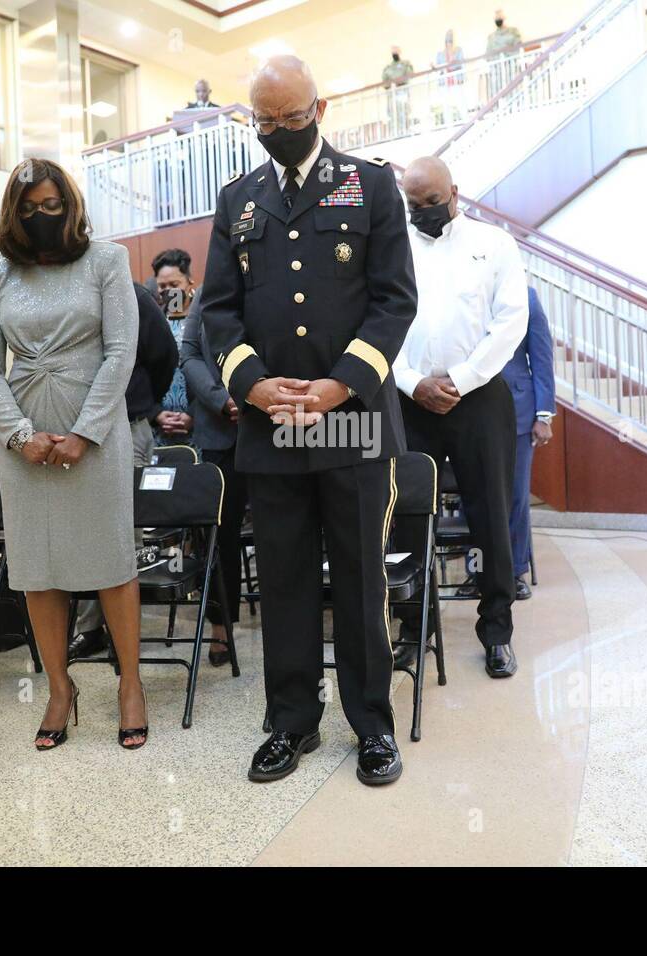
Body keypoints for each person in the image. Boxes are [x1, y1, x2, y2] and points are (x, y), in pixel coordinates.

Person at [200, 55, 418, 786]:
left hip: (350, 420)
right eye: (264, 121)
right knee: (287, 581)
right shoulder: (238, 199)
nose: (278, 133)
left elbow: (394, 301)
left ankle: (371, 726)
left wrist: (339, 386)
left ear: (319, 110)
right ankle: (291, 724)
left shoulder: (372, 183)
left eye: (291, 119)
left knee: (359, 578)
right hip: (272, 425)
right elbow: (218, 312)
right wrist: (255, 388)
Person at [0, 158, 147, 751]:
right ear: (12, 214)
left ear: (69, 205)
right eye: (29, 209)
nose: (41, 216)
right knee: (38, 569)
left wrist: (85, 430)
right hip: (23, 433)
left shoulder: (107, 259)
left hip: (94, 426)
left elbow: (122, 349)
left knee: (110, 561)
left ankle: (131, 686)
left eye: (51, 206)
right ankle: (58, 689)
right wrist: (19, 434)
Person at [393, 155, 527, 679]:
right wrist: (412, 382)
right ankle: (412, 630)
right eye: (414, 205)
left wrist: (463, 379)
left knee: (490, 516)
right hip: (411, 399)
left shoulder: (493, 244)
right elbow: (380, 320)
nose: (424, 212)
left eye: (432, 202)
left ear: (455, 192)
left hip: (480, 398)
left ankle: (497, 632)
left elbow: (510, 320)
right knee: (407, 520)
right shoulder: (394, 247)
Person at [67, 280, 177, 662]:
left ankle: (123, 633)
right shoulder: (63, 290)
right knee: (83, 534)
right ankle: (89, 629)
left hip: (126, 425)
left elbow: (164, 354)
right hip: (72, 431)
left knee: (123, 533)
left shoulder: (131, 293)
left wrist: (143, 402)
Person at [179, 280, 245, 668]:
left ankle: (292, 626)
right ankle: (221, 626)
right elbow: (189, 353)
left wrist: (254, 393)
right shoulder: (208, 291)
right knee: (222, 536)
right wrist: (220, 398)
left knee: (285, 531)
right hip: (219, 430)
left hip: (276, 425)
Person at [502, 285, 555, 600]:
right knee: (473, 496)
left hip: (519, 410)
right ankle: (476, 569)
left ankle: (514, 571)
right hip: (470, 407)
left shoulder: (526, 296)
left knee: (516, 495)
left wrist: (544, 415)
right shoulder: (468, 288)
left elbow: (541, 357)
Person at [151, 248, 196, 446]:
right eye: (162, 286)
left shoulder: (206, 318)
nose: (168, 291)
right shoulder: (151, 322)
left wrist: (195, 414)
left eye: (174, 284)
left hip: (203, 426)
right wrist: (156, 413)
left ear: (189, 283)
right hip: (159, 429)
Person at [486, 8, 524, 98]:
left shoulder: (513, 32)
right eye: (496, 17)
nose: (498, 19)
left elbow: (518, 46)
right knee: (498, 93)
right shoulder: (491, 37)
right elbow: (488, 54)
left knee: (512, 90)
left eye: (499, 17)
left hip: (510, 66)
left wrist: (508, 54)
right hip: (497, 70)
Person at [433, 29, 468, 126]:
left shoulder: (458, 50)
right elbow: (438, 67)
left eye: (450, 40)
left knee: (461, 102)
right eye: (447, 41)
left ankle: (466, 121)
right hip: (445, 82)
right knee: (446, 104)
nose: (449, 43)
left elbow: (461, 63)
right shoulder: (440, 54)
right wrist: (434, 67)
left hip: (456, 80)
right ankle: (449, 124)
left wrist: (453, 62)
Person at [381, 46, 414, 134]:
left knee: (404, 111)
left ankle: (405, 130)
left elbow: (410, 74)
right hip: (392, 93)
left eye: (396, 51)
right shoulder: (388, 68)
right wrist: (390, 85)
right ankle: (394, 132)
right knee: (392, 113)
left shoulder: (405, 64)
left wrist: (400, 82)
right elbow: (385, 82)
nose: (394, 53)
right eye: (393, 52)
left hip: (402, 91)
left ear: (399, 52)